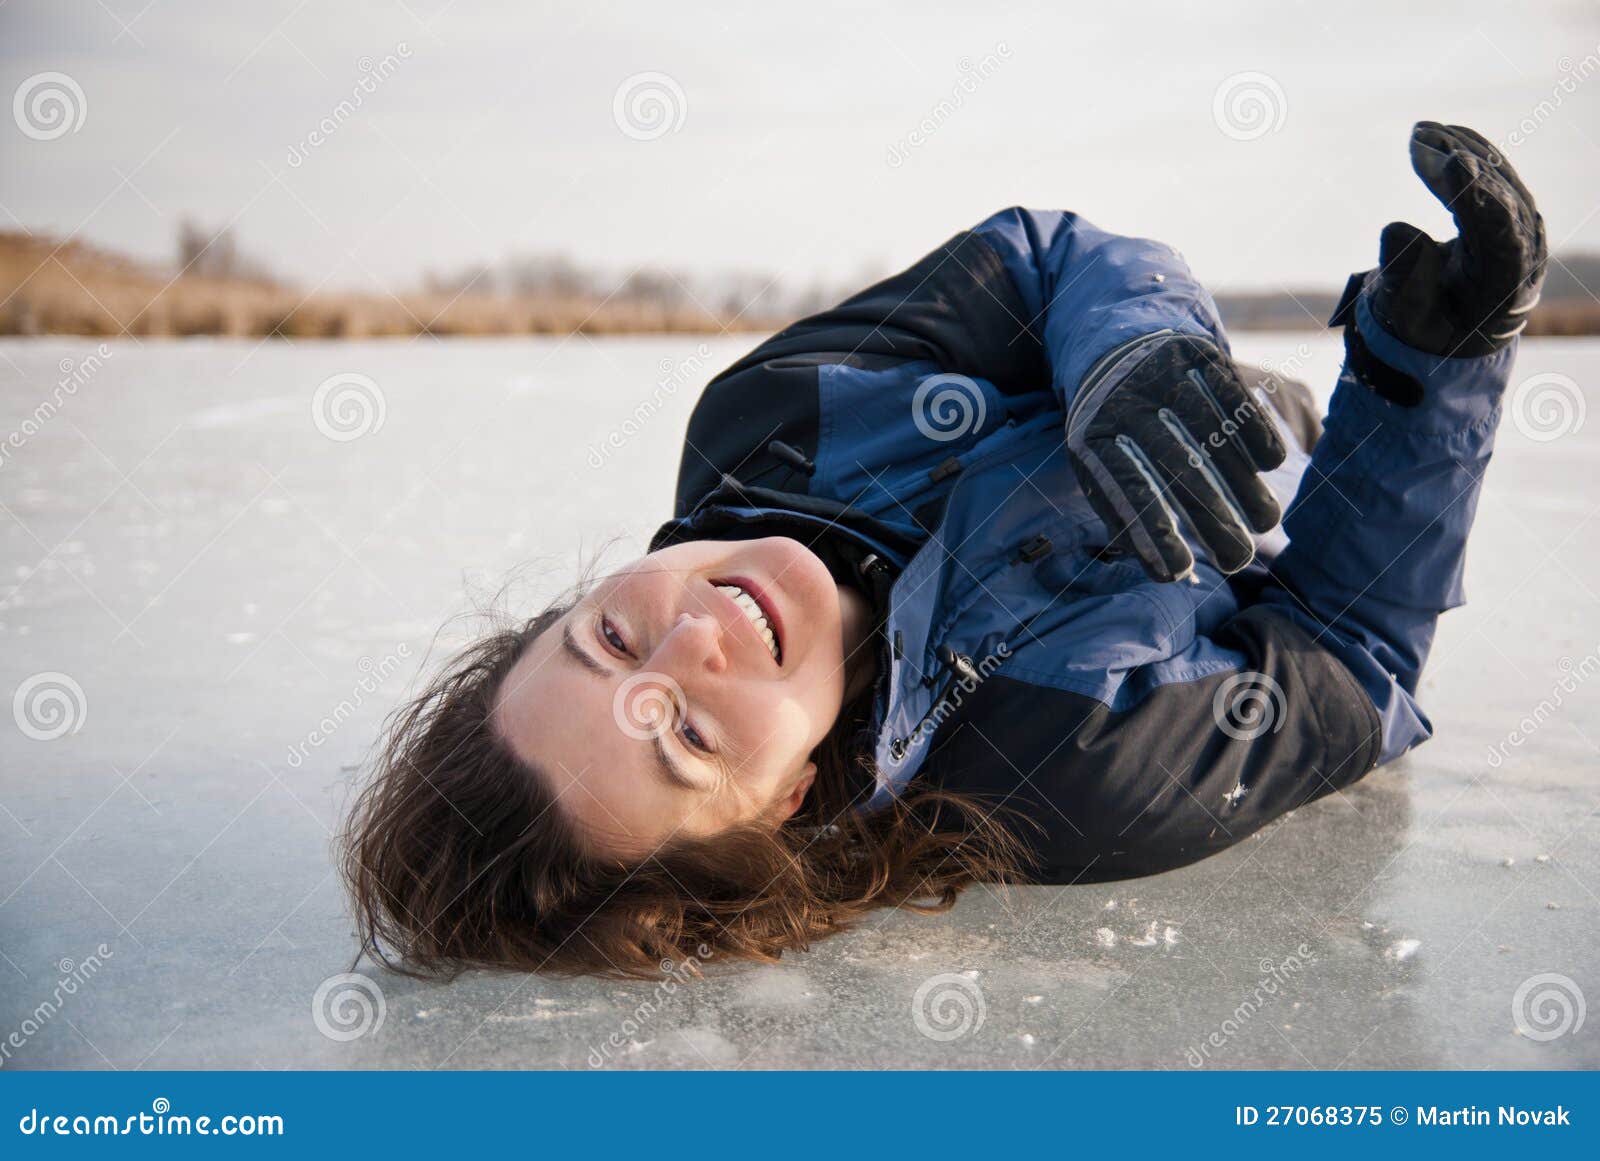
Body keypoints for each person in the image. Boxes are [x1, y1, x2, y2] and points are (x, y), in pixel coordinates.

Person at [341, 123, 1546, 978]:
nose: (695, 634)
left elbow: (1035, 262)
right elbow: (1349, 653)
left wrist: (1123, 354)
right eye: (692, 737)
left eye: (606, 638)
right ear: (788, 805)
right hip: (1299, 490)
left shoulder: (769, 418)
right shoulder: (1066, 775)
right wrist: (1426, 367)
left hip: (1200, 385)